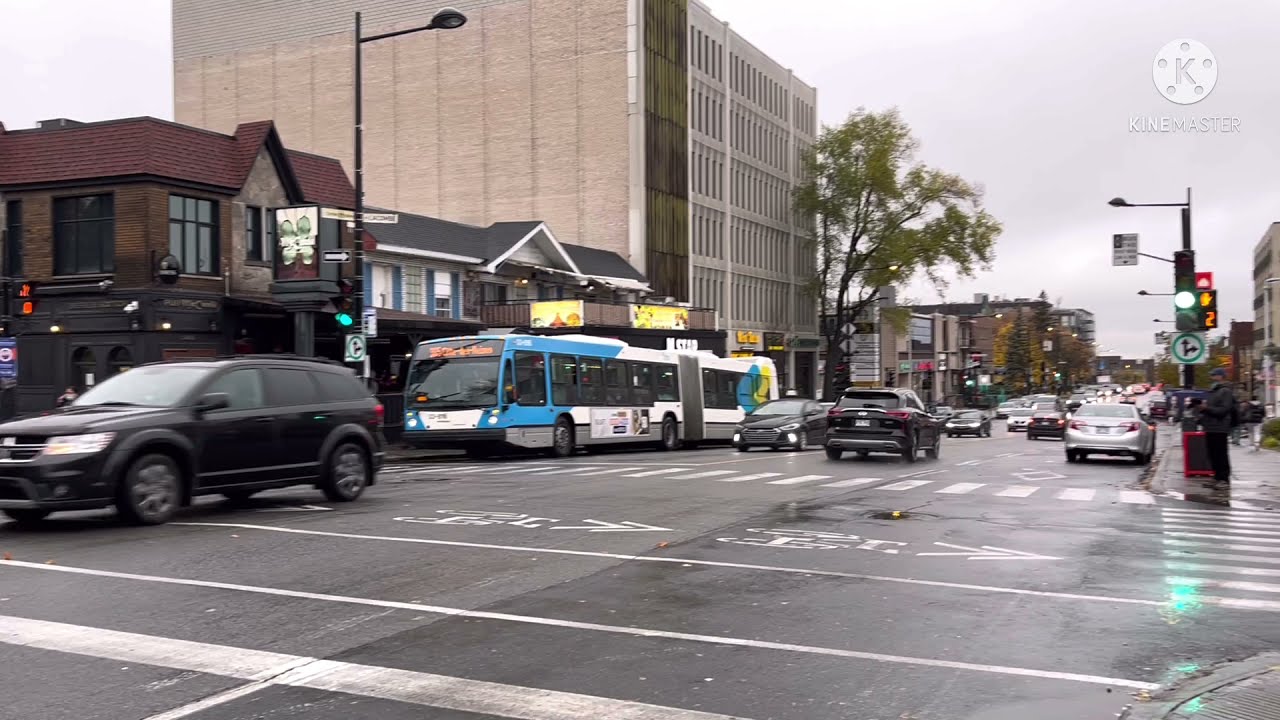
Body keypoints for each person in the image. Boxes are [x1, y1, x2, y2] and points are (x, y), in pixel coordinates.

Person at [1199, 368, 1237, 487]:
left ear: (1221, 377)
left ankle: (1224, 479)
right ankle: (1216, 477)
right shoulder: (1213, 391)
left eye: (1214, 375)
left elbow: (1224, 410)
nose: (1212, 378)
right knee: (1212, 453)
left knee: (1221, 454)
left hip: (1220, 427)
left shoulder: (1225, 391)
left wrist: (1207, 409)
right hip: (1210, 426)